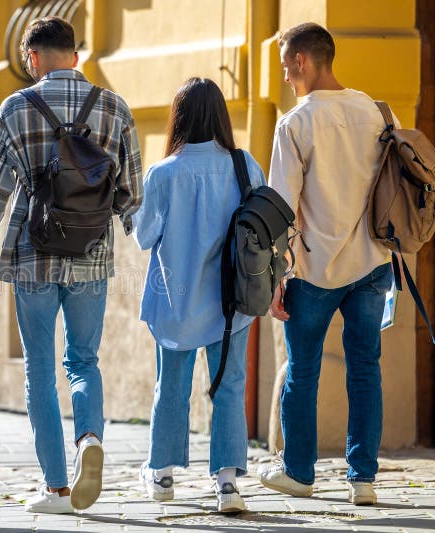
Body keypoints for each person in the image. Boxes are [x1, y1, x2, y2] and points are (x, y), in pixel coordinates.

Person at [0, 16, 143, 514]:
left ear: (31, 59)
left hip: (34, 253)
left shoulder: (15, 108)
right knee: (84, 361)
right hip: (92, 254)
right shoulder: (114, 108)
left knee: (40, 370)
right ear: (75, 55)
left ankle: (56, 490)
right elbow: (131, 195)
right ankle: (89, 437)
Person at [258, 22, 393, 506]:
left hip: (314, 270)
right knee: (365, 369)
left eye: (285, 68)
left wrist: (276, 276)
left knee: (303, 370)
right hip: (373, 263)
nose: (286, 79)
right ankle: (364, 480)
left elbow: (279, 207)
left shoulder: (295, 123)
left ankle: (298, 472)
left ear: (301, 61)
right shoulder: (376, 112)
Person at [132, 77, 265, 514]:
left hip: (178, 300)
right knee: (229, 387)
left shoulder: (163, 173)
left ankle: (163, 475)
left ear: (179, 118)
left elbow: (145, 235)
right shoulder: (245, 165)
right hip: (233, 302)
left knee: (170, 386)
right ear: (222, 116)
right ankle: (227, 484)